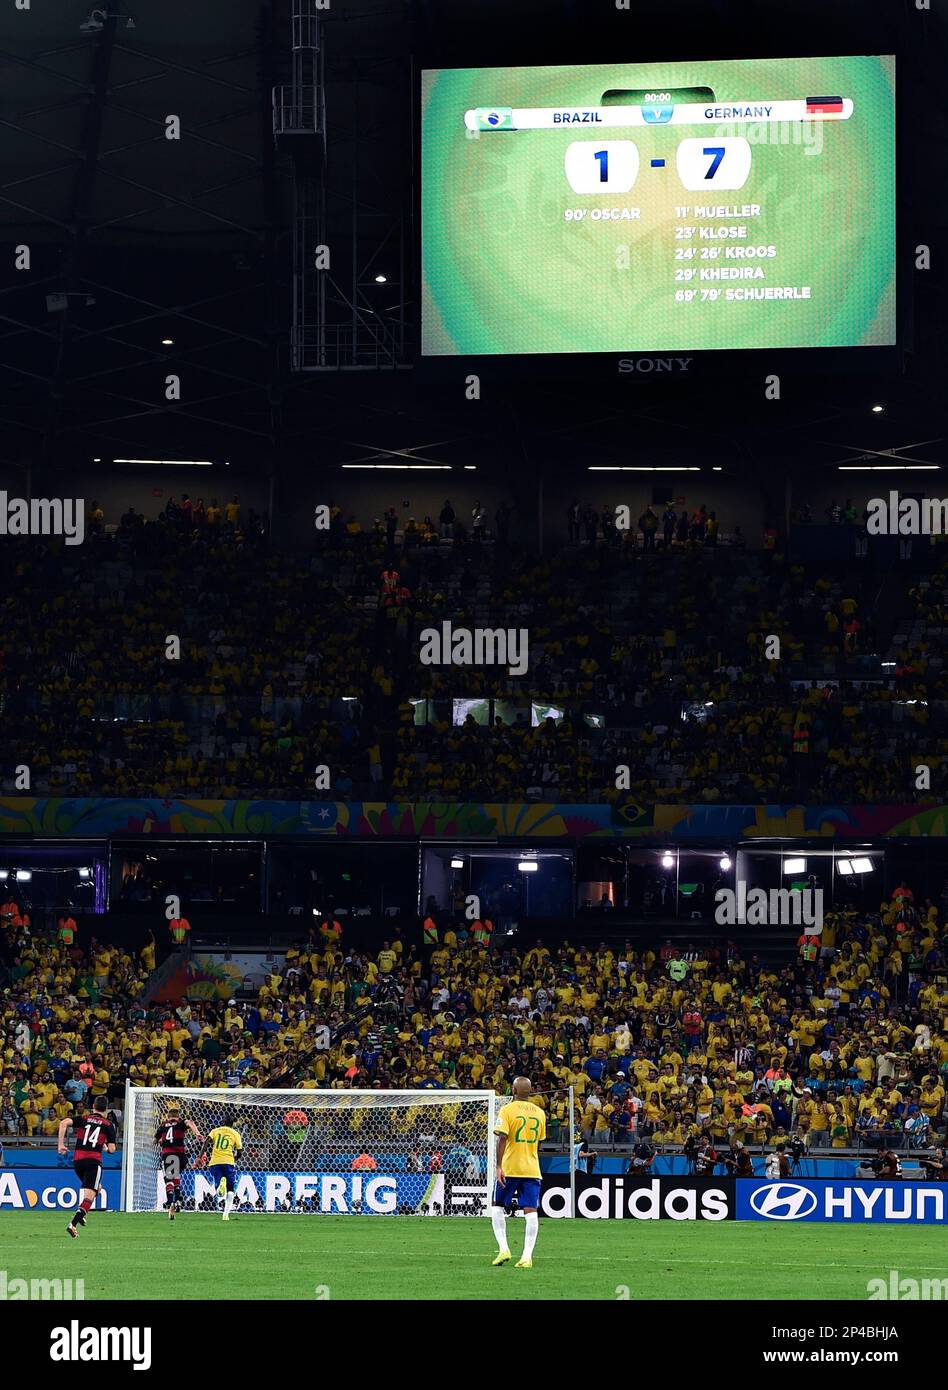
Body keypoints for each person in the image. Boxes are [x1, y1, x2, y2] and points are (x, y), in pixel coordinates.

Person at [491, 1076, 546, 1270]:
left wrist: (499, 1166)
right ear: (529, 1091)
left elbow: (503, 1138)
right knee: (531, 1211)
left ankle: (504, 1249)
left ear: (513, 1090)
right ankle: (527, 1257)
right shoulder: (540, 1113)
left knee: (497, 1206)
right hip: (532, 1168)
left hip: (510, 1167)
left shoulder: (507, 1110)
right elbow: (539, 1142)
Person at [58, 1102, 117, 1239]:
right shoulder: (108, 1125)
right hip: (93, 1162)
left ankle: (82, 1214)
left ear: (93, 1107)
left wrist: (61, 1144)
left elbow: (63, 1123)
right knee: (89, 1196)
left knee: (98, 1188)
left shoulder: (84, 1118)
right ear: (106, 1110)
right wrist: (106, 1148)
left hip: (78, 1161)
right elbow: (112, 1150)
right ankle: (73, 1224)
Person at [155, 1102, 203, 1219]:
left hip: (168, 1155)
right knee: (176, 1176)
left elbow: (155, 1140)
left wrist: (161, 1141)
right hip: (181, 1156)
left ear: (168, 1116)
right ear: (178, 1116)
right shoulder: (181, 1122)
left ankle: (170, 1202)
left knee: (169, 1180)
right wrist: (197, 1133)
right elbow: (189, 1122)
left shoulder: (163, 1125)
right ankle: (177, 1201)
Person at [207, 1113, 243, 1221]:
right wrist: (234, 1159)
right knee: (230, 1189)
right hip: (228, 1162)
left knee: (219, 1191)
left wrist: (200, 1156)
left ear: (223, 1122)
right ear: (232, 1124)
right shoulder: (235, 1133)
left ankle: (219, 1186)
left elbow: (206, 1142)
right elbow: (240, 1151)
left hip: (215, 1162)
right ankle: (225, 1215)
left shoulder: (215, 1131)